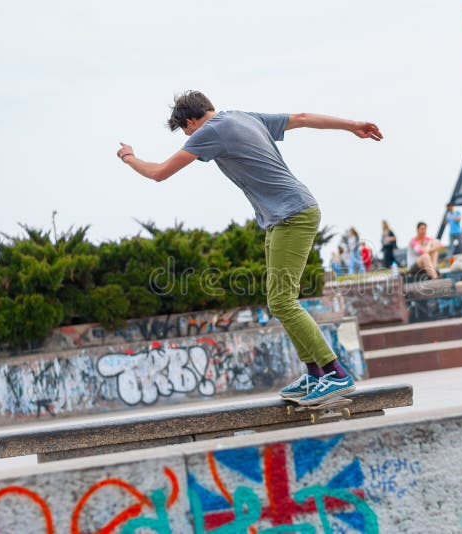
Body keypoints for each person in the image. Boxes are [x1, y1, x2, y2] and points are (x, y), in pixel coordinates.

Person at [116, 91, 382, 406]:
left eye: (187, 132)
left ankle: (335, 374)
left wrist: (129, 157)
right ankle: (314, 374)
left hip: (291, 216)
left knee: (282, 301)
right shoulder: (244, 117)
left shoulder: (209, 131)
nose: (191, 138)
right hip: (286, 215)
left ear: (190, 121)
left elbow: (159, 173)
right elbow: (302, 118)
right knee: (280, 301)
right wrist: (352, 125)